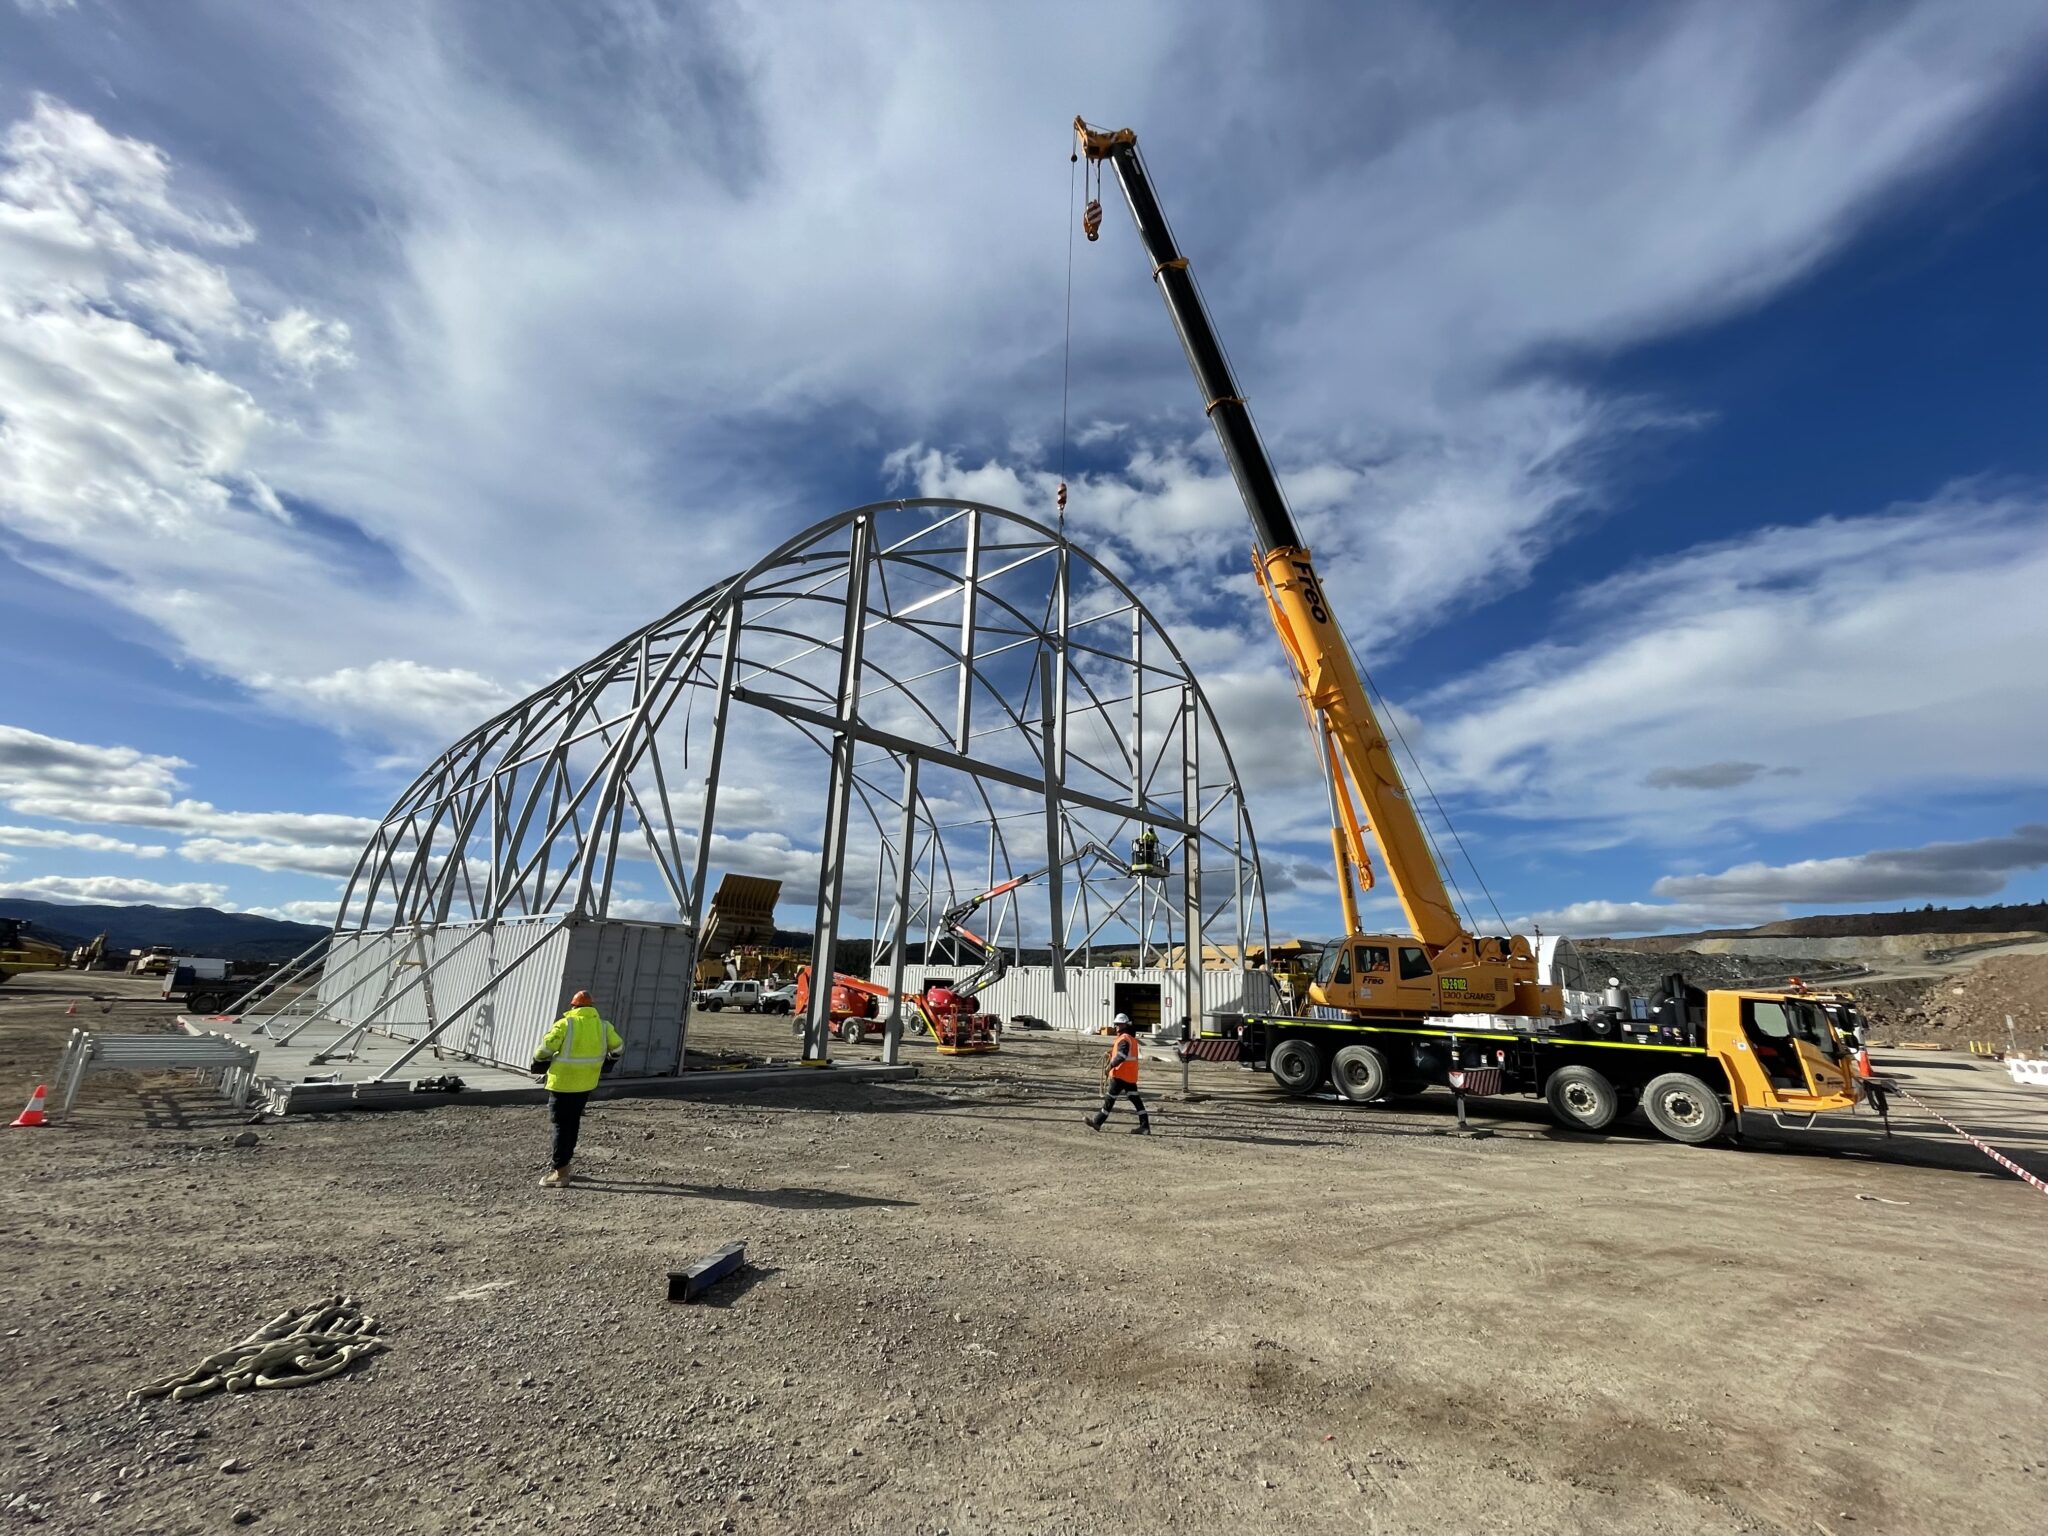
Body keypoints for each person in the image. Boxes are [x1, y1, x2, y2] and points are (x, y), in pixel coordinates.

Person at [530, 989, 623, 1187]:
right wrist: (607, 1063)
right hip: (586, 1084)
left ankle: (560, 1172)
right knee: (572, 1124)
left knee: (561, 1126)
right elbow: (618, 1048)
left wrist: (539, 1061)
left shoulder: (565, 1024)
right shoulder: (603, 1026)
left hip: (562, 1084)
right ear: (591, 1007)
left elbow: (544, 1049)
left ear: (573, 1006)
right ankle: (564, 1166)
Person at [1086, 1012, 1151, 1135]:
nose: (1116, 1027)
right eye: (1116, 1024)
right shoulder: (1130, 1039)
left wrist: (1109, 1066)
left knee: (1110, 1099)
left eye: (1118, 1025)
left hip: (1120, 1074)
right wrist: (1112, 1053)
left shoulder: (1124, 1039)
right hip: (1129, 1076)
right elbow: (1124, 1054)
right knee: (1136, 1100)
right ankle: (1145, 1126)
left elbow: (1122, 1055)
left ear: (1124, 1025)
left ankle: (1097, 1122)